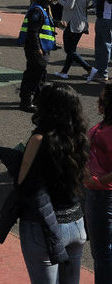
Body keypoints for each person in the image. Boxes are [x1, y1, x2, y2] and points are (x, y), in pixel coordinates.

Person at [16, 83, 89, 284]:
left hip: (44, 226)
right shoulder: (79, 138)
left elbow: (23, 182)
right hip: (75, 222)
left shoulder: (39, 139)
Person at [85, 82, 112, 283]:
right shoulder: (105, 125)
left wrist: (100, 180)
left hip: (103, 196)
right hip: (98, 193)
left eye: (103, 100)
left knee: (102, 253)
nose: (98, 103)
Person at [19, 0, 61, 112]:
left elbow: (46, 24)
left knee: (40, 74)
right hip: (36, 48)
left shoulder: (43, 8)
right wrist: (38, 48)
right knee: (33, 74)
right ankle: (26, 101)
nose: (55, 0)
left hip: (42, 48)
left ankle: (37, 98)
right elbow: (33, 32)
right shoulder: (37, 11)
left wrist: (58, 23)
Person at [56, 0, 93, 80]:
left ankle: (89, 68)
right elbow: (85, 5)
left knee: (69, 50)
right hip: (82, 23)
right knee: (72, 49)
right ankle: (64, 72)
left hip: (72, 23)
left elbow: (69, 6)